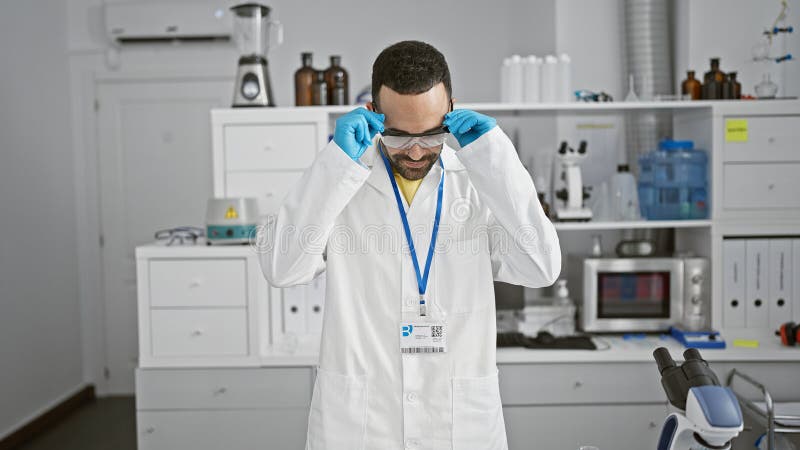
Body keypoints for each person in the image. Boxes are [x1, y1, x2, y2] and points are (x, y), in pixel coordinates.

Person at [258, 40, 560, 450]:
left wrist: (496, 158)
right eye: (398, 135)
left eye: (432, 133)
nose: (416, 151)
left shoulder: (478, 182)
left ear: (452, 109)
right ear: (372, 114)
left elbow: (541, 266)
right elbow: (281, 267)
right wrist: (335, 162)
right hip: (362, 426)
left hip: (457, 424)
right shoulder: (341, 181)